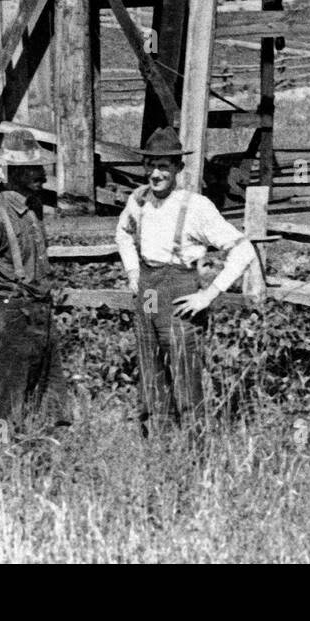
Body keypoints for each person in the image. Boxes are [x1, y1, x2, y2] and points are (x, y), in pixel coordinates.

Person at [115, 126, 258, 433]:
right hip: (149, 294)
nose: (156, 174)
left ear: (178, 168)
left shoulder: (196, 207)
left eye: (164, 166)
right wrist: (132, 272)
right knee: (150, 372)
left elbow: (244, 249)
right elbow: (123, 234)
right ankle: (159, 448)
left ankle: (195, 455)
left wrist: (208, 295)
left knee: (184, 377)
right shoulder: (138, 202)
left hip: (179, 296)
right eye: (150, 166)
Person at [0, 124, 72, 444]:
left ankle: (42, 467)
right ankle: (0, 472)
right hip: (9, 320)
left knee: (50, 405)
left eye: (39, 168)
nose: (42, 176)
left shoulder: (32, 212)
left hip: (39, 319)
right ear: (11, 172)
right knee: (7, 410)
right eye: (31, 169)